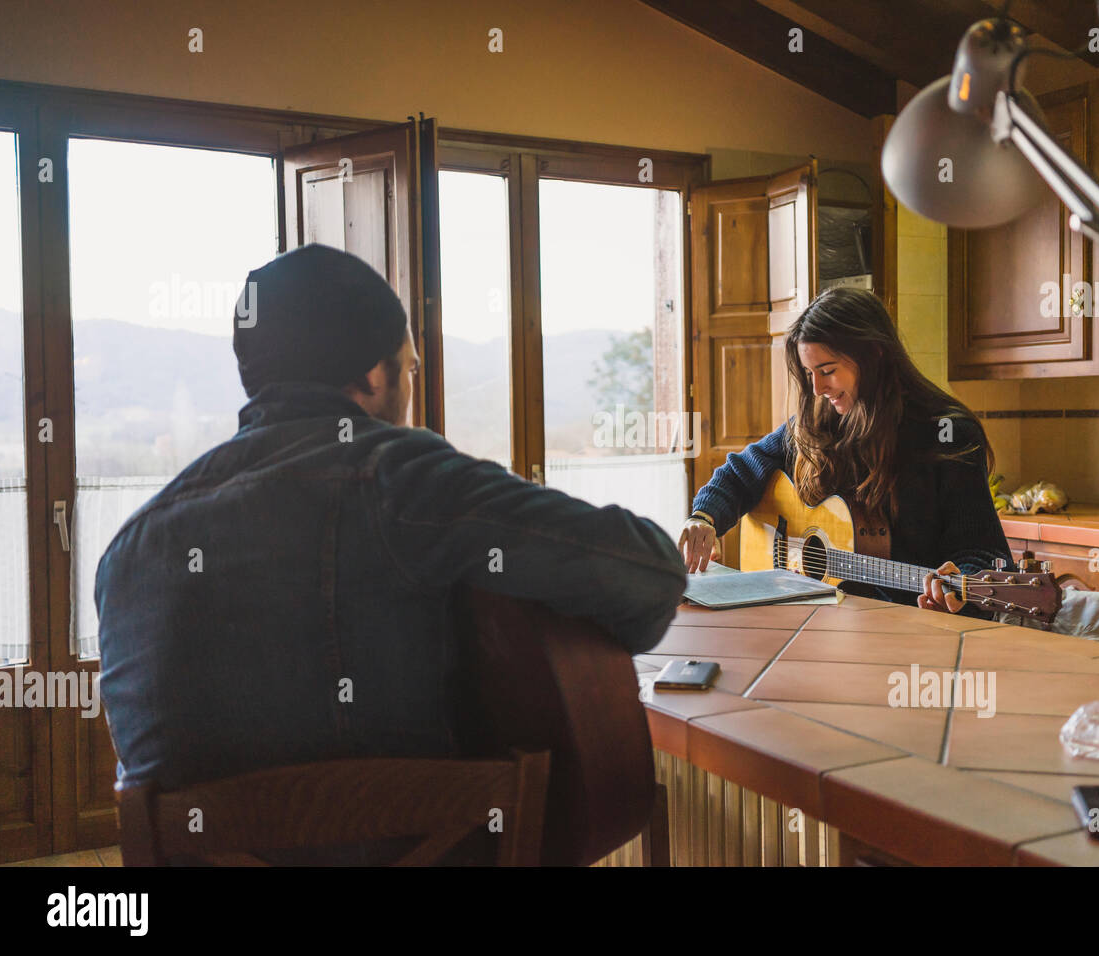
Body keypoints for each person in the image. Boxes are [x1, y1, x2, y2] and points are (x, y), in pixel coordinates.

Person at [97, 244, 685, 861]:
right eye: (409, 368)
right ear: (375, 375)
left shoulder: (127, 555)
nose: (408, 387)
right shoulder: (398, 476)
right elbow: (646, 573)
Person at [677, 287, 1012, 615]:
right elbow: (742, 470)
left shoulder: (948, 434)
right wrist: (703, 517)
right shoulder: (816, 423)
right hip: (829, 627)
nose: (817, 389)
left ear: (875, 354)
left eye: (828, 371)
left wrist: (957, 589)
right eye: (809, 374)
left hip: (914, 632)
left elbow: (984, 554)